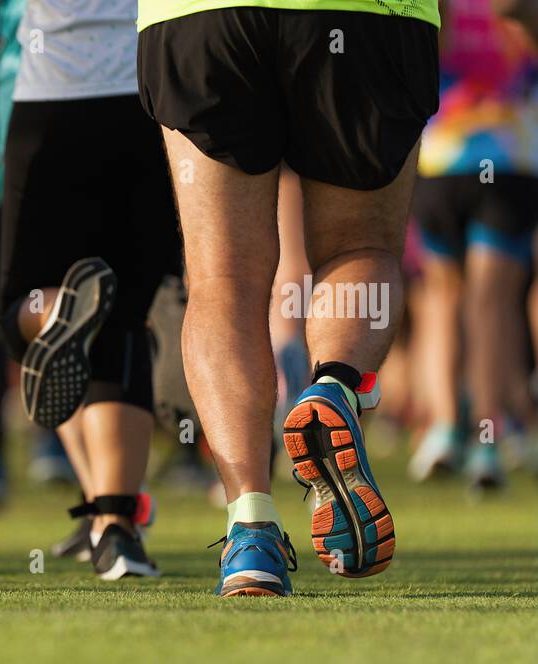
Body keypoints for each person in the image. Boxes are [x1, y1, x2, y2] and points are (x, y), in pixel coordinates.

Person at [138, 0, 440, 595]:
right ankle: (334, 385)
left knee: (224, 277)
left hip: (202, 16)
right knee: (360, 247)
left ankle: (250, 527)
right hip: (370, 16)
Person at [0, 0, 179, 581]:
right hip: (147, 95)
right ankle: (116, 527)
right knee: (123, 319)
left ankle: (56, 314)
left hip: (51, 97)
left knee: (18, 310)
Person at [409, 0, 538, 489]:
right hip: (505, 159)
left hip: (443, 160)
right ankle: (484, 440)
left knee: (443, 299)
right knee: (490, 303)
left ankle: (446, 429)